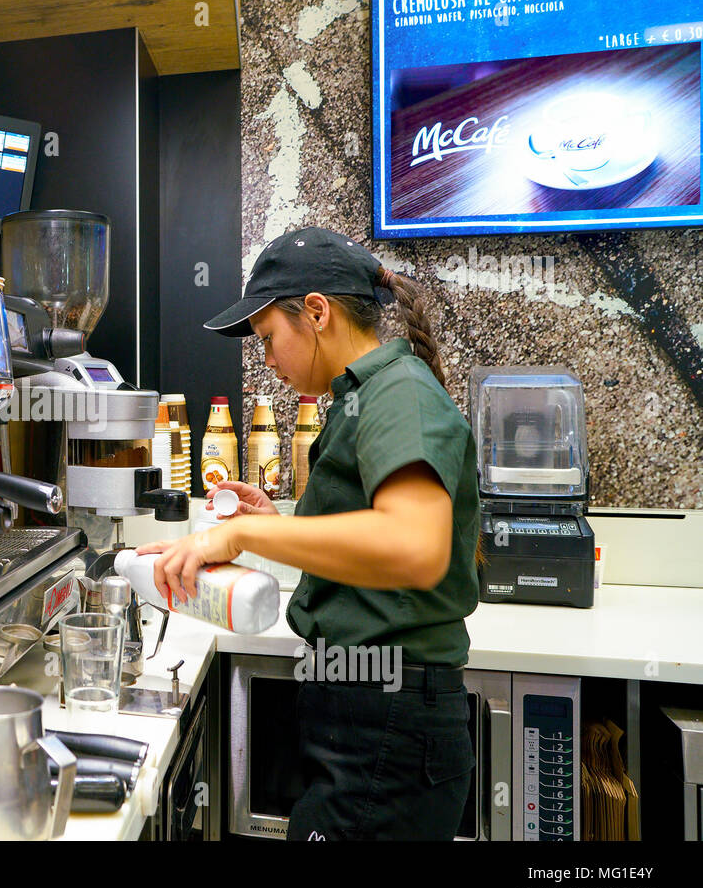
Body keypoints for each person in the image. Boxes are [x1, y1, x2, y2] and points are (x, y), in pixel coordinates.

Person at [136, 226, 481, 840]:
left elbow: (415, 549)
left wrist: (242, 540)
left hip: (388, 720)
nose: (267, 359)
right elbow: (368, 536)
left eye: (269, 337)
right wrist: (279, 525)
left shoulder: (398, 395)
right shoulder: (365, 395)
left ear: (316, 312)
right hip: (366, 708)